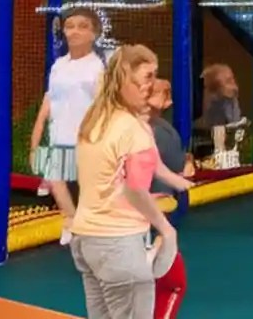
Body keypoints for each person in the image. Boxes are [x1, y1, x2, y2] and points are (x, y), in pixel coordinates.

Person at [70, 45, 177, 319]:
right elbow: (135, 190)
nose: (152, 85)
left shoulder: (93, 119)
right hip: (118, 244)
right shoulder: (134, 131)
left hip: (86, 240)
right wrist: (166, 230)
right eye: (147, 77)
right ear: (125, 81)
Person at [29, 6, 105, 245]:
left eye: (83, 27)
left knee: (90, 188)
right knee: (54, 180)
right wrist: (35, 139)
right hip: (58, 137)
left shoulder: (97, 67)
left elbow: (101, 105)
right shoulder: (59, 65)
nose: (75, 32)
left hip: (85, 139)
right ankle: (73, 221)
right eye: (70, 26)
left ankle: (94, 229)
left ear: (94, 34)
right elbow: (49, 101)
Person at [144, 79, 193, 319]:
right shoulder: (159, 131)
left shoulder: (112, 126)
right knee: (173, 284)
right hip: (152, 215)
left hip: (118, 221)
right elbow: (172, 168)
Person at [199, 64, 247, 169]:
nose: (234, 85)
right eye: (229, 81)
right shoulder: (217, 106)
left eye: (233, 79)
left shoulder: (232, 101)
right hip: (220, 150)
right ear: (217, 88)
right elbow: (219, 137)